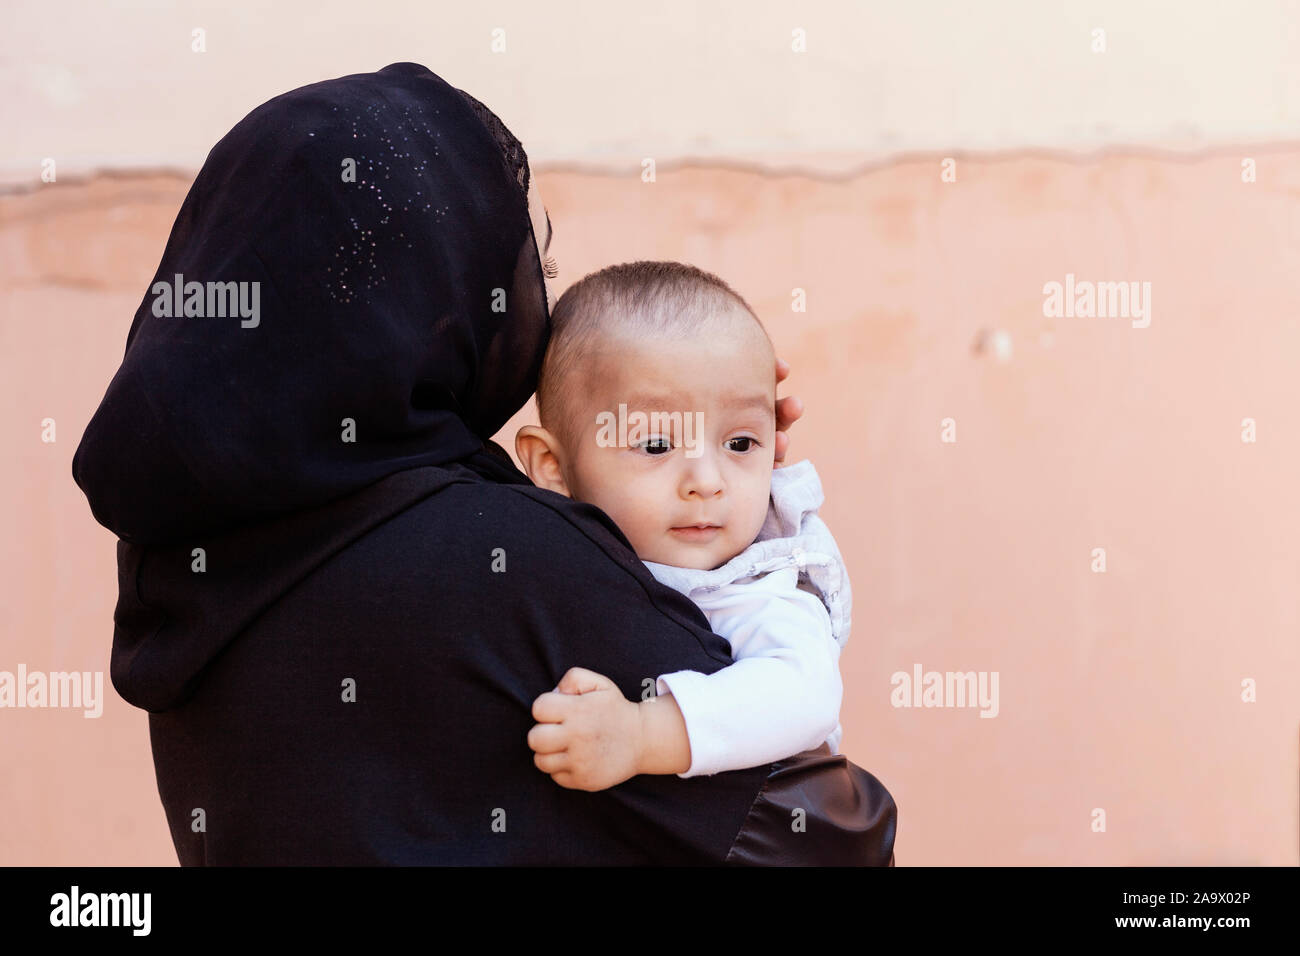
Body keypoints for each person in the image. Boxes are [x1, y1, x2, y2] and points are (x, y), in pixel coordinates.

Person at [72, 61, 896, 864]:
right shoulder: (510, 556)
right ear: (433, 295)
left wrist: (692, 439)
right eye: (521, 266)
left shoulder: (185, 569)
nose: (530, 304)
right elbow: (829, 835)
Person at [515, 261, 850, 789]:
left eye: (740, 443)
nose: (708, 481)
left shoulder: (751, 589)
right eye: (655, 445)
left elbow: (806, 693)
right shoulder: (527, 549)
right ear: (553, 468)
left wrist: (643, 734)